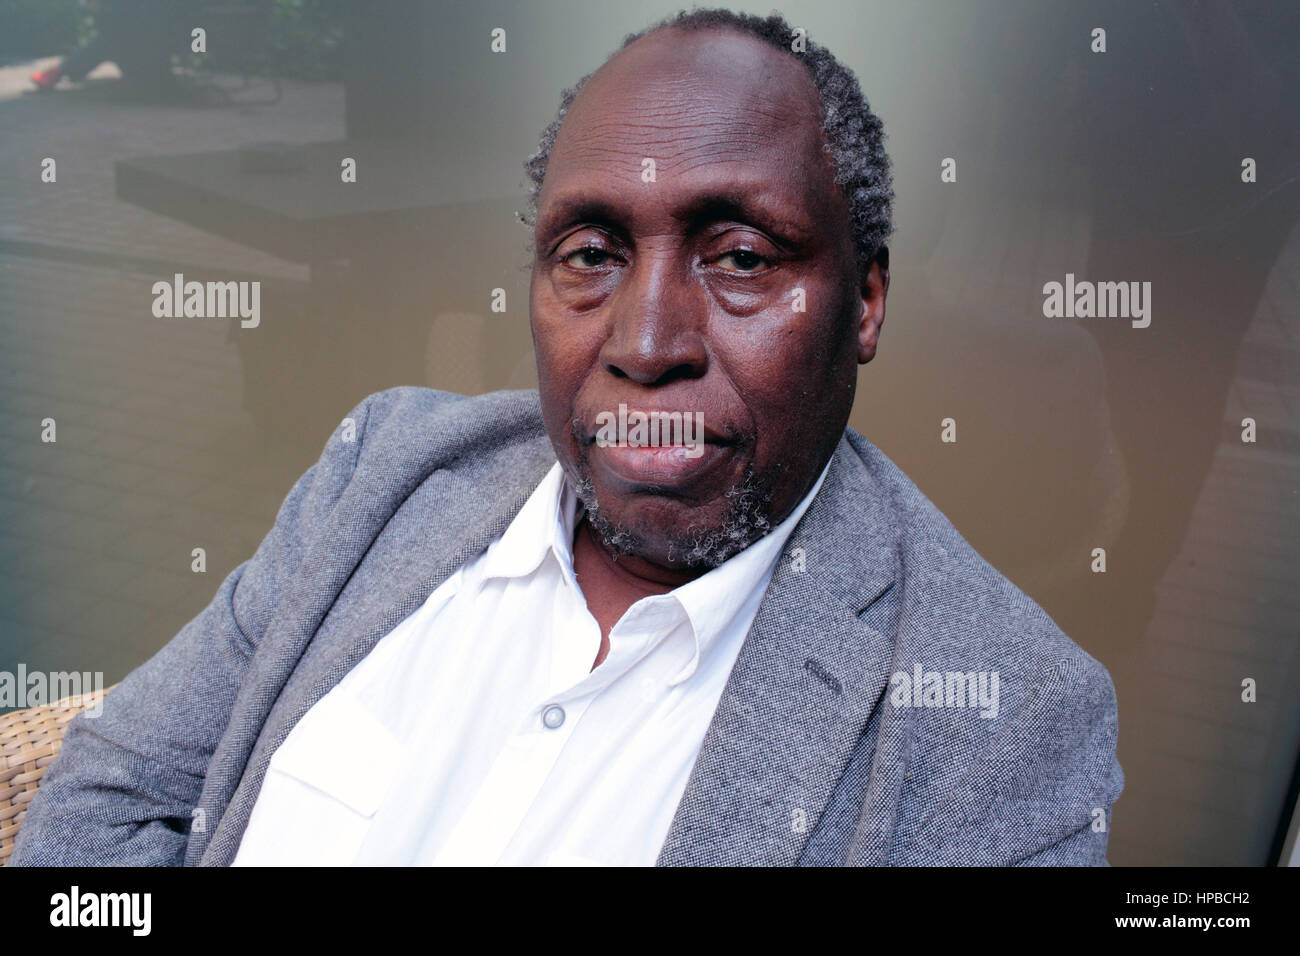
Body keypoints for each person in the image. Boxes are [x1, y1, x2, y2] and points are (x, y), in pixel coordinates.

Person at [9, 8, 1122, 867]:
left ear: (864, 302)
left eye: (739, 257)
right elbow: (115, 788)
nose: (645, 342)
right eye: (591, 254)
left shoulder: (1003, 724)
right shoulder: (389, 470)